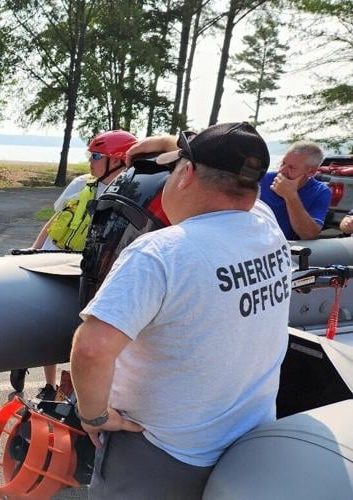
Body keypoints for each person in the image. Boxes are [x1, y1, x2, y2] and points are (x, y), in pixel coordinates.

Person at [70, 122, 290, 499]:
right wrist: (174, 144)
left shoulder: (160, 253)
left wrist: (94, 416)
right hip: (246, 438)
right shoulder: (265, 225)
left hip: (161, 449)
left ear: (186, 174)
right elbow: (229, 171)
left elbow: (91, 350)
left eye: (175, 168)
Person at [24, 130, 136, 401]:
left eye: (97, 156)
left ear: (119, 160)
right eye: (90, 155)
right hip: (58, 258)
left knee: (86, 333)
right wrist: (36, 249)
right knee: (48, 324)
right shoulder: (81, 184)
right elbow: (56, 220)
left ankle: (80, 391)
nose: (90, 161)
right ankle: (49, 386)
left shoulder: (131, 191)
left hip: (90, 270)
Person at [259, 141, 328, 240]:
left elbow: (309, 235)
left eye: (291, 167)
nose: (282, 170)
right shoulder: (263, 180)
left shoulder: (320, 191)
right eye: (283, 163)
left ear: (311, 172)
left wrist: (290, 196)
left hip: (288, 250)